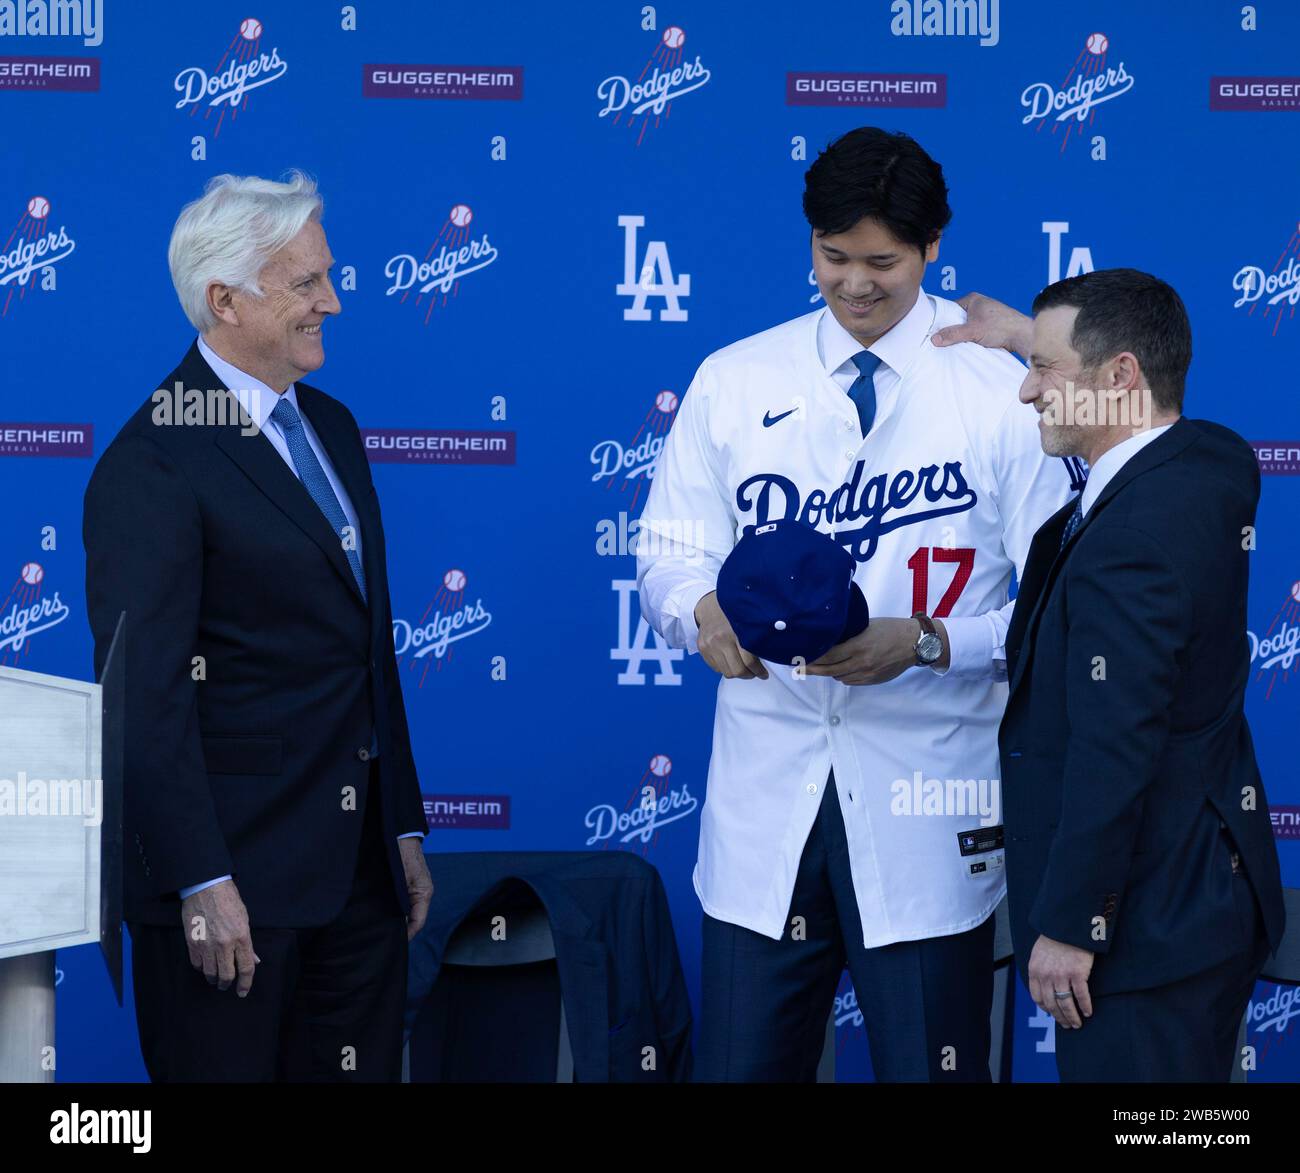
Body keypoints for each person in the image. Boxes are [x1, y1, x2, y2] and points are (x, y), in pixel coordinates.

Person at [636, 127, 1077, 1081]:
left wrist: (925, 641)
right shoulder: (735, 377)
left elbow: (1054, 615)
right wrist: (702, 613)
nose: (857, 283)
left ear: (933, 246)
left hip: (929, 802)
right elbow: (668, 557)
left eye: (883, 261)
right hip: (766, 810)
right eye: (834, 258)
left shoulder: (1004, 390)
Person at [83, 171, 433, 1082]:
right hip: (230, 897)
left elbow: (366, 647)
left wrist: (400, 826)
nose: (335, 300)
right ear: (223, 300)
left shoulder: (334, 427)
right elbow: (143, 700)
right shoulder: (153, 459)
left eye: (328, 274)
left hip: (359, 886)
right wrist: (202, 880)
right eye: (306, 284)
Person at [947, 270, 1284, 1081]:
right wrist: (1038, 339)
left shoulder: (1131, 532)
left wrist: (1072, 924)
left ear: (1122, 375)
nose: (1027, 392)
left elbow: (1115, 741)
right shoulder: (1207, 465)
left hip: (1140, 935)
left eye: (1045, 369)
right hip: (1197, 906)